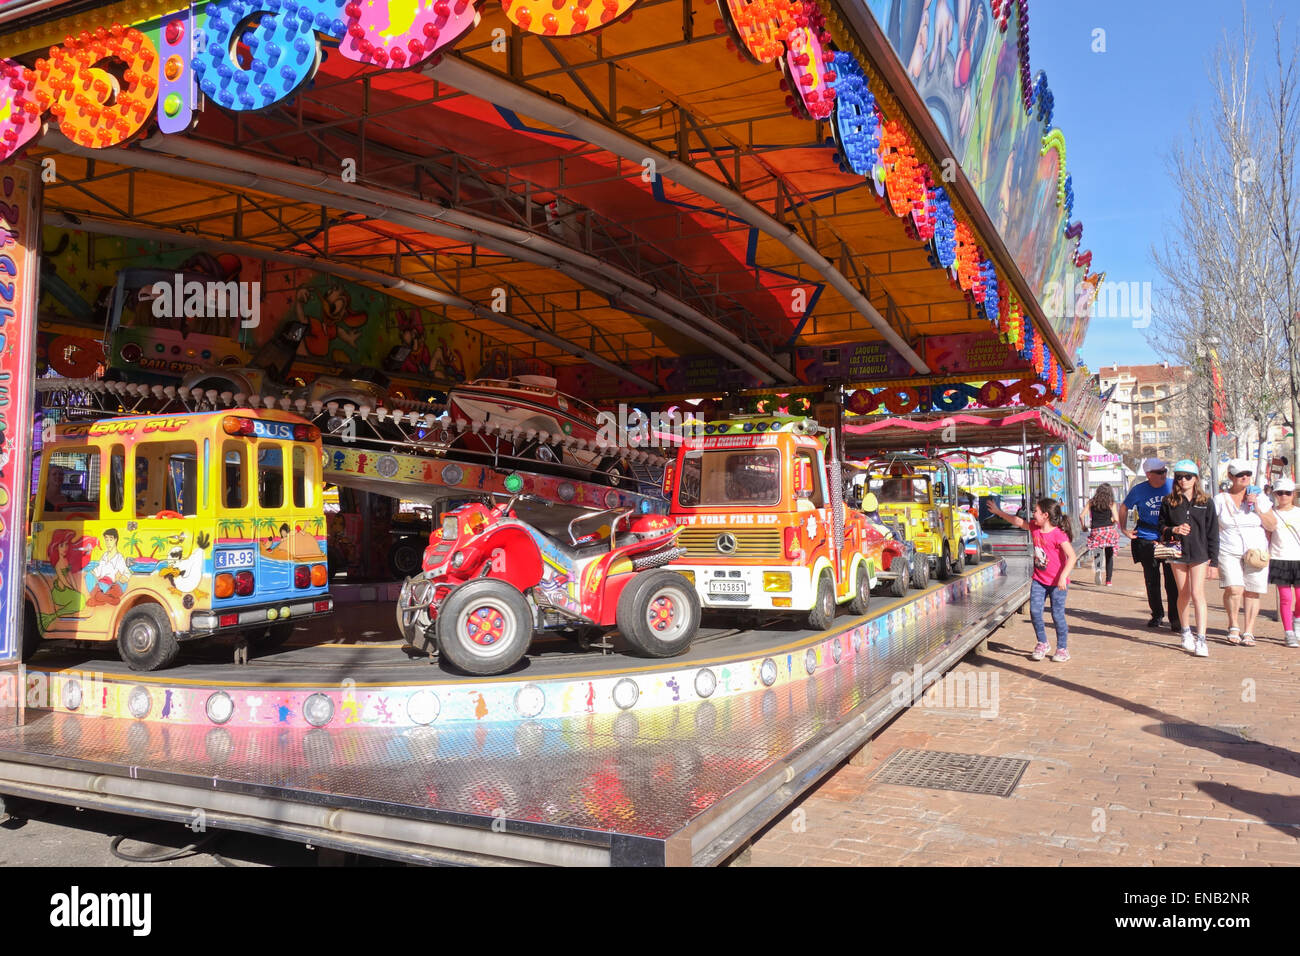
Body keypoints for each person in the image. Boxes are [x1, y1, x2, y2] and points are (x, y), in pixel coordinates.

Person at [986, 496, 1075, 662]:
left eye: (1036, 511)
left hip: (1057, 584)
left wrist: (1063, 577)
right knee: (1035, 611)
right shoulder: (1035, 527)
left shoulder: (1058, 535)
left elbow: (1072, 556)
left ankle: (1062, 648)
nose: (1033, 514)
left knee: (1057, 615)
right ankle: (1042, 643)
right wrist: (998, 512)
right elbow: (1018, 521)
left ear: (1045, 515)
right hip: (1039, 580)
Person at [1214, 460, 1279, 645]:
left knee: (1252, 591)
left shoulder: (1260, 498)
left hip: (1256, 551)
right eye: (1240, 474)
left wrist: (1257, 507)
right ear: (1231, 477)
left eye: (1248, 474)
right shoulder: (1219, 500)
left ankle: (1249, 630)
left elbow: (1272, 525)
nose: (1245, 477)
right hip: (1229, 549)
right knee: (1234, 588)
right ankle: (1233, 624)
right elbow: (1211, 527)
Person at [1158, 460, 1219, 657]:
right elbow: (1160, 528)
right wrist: (1173, 529)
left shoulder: (1206, 502)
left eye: (1187, 476)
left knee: (1197, 593)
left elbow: (1213, 533)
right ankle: (1185, 631)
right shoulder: (1168, 501)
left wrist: (1214, 562)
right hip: (1177, 553)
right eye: (1179, 477)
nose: (1183, 480)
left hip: (1200, 554)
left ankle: (1201, 638)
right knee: (1182, 593)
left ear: (1196, 479)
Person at [1119, 458, 1180, 632]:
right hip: (1146, 537)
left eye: (1165, 471)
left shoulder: (1173, 485)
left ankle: (1175, 618)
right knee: (1152, 580)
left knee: (1172, 581)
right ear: (1148, 474)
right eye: (1159, 472)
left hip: (1169, 538)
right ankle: (1157, 614)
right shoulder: (1139, 490)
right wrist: (1124, 529)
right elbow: (1124, 508)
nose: (1164, 475)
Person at [1266, 476, 1300, 648]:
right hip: (1279, 559)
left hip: (1298, 559)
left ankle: (1298, 621)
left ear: (1293, 494)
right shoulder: (1272, 513)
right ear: (1275, 495)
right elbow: (1267, 535)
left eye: (1287, 493)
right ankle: (1288, 633)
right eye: (1280, 493)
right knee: (1286, 598)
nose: (1284, 496)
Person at [1084, 483, 1119, 586]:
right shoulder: (1111, 503)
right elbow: (1116, 519)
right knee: (1109, 555)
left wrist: (1084, 526)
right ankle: (1108, 581)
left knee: (1098, 552)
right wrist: (1110, 520)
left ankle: (1098, 569)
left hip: (1096, 531)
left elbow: (1081, 515)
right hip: (1108, 530)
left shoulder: (1091, 502)